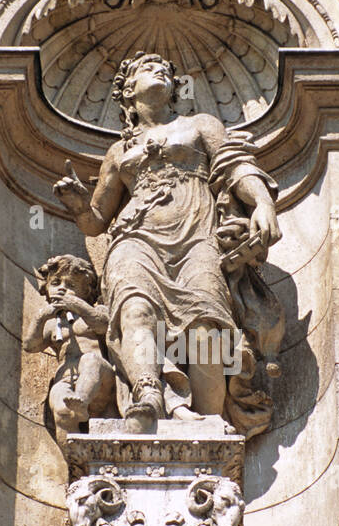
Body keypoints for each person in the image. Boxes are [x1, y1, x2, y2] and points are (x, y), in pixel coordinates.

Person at [54, 51, 283, 434]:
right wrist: (79, 204)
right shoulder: (117, 153)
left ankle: (208, 424)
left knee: (206, 330)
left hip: (197, 235)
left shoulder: (200, 126)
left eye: (165, 69)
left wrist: (262, 202)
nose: (159, 70)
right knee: (134, 311)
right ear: (128, 90)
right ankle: (148, 396)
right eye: (147, 67)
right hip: (135, 238)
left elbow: (234, 165)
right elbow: (96, 221)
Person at [23, 253, 115, 437]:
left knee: (90, 360)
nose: (62, 289)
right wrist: (41, 317)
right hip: (65, 376)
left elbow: (103, 325)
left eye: (71, 285)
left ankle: (81, 399)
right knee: (61, 409)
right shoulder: (51, 323)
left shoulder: (95, 311)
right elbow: (30, 346)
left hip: (100, 377)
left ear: (86, 292)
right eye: (56, 283)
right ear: (47, 287)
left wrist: (77, 306)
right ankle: (75, 462)